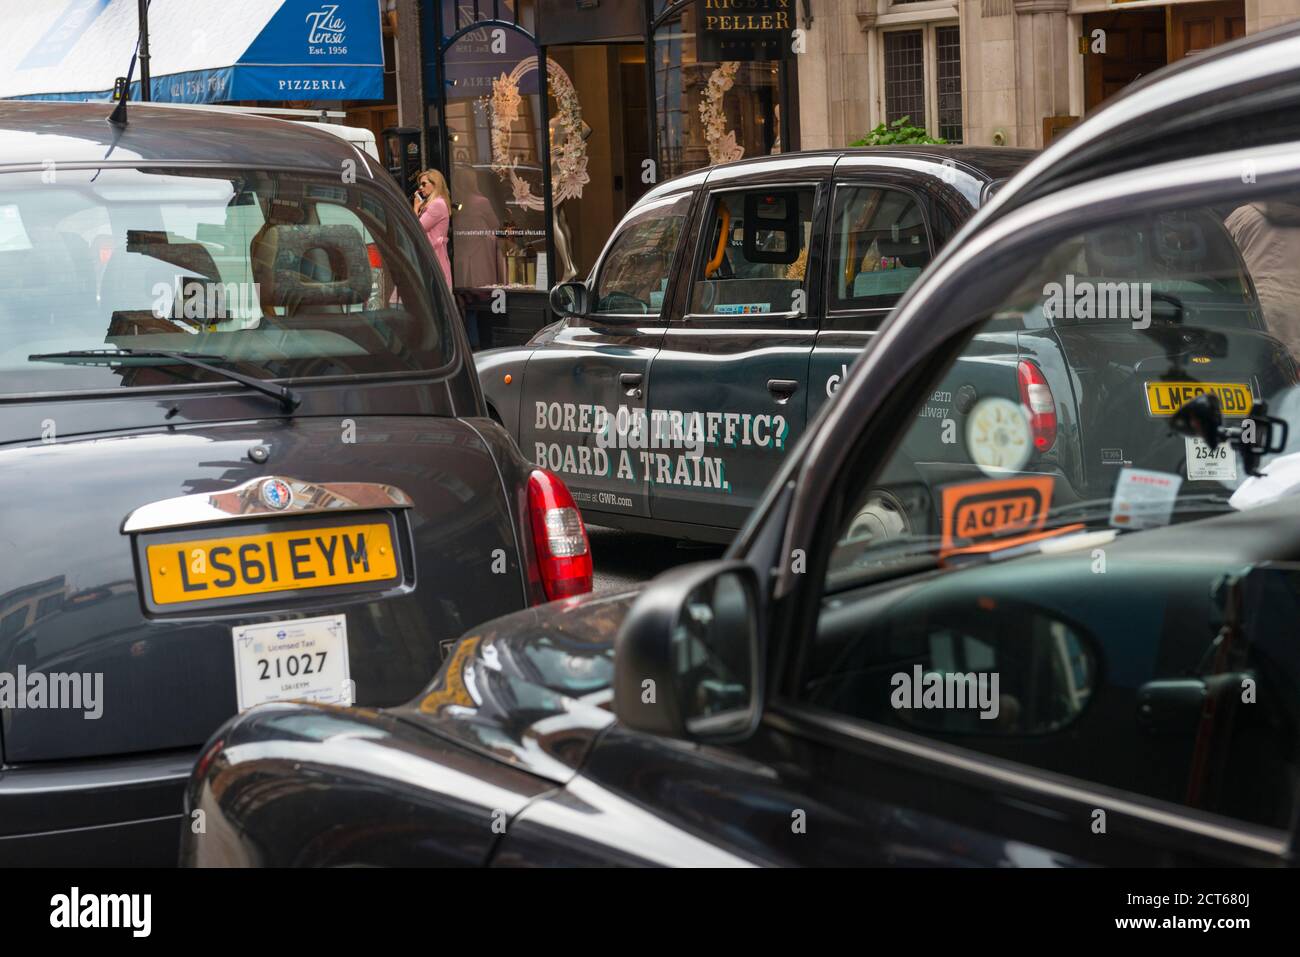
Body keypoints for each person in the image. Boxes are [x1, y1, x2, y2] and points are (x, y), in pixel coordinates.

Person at [413, 169, 453, 289]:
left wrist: (415, 208)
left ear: (435, 184)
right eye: (420, 184)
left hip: (433, 256)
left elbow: (416, 229)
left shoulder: (437, 204)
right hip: (432, 255)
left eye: (424, 184)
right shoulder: (436, 203)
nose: (421, 187)